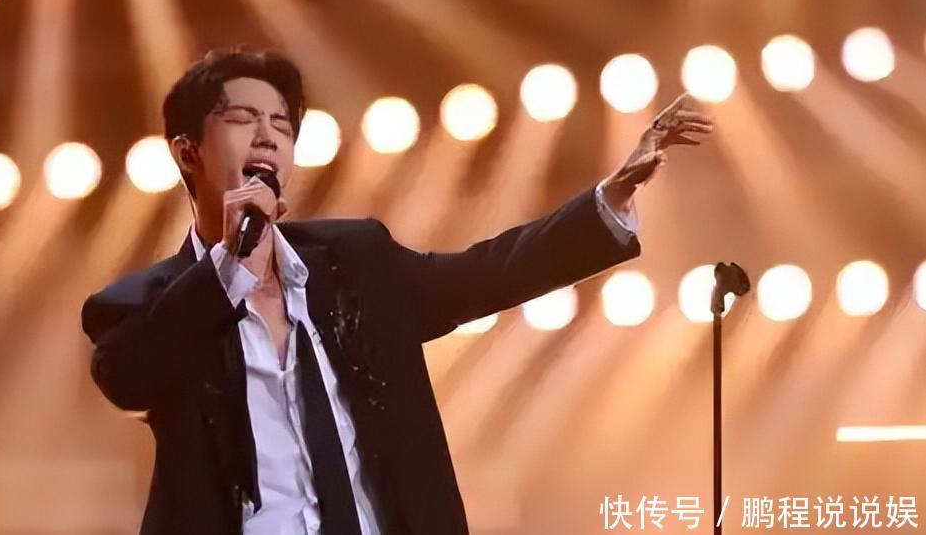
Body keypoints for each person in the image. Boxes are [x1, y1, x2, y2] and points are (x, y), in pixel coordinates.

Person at [80, 47, 713, 535]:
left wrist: (611, 197)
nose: (268, 136)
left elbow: (488, 273)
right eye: (243, 119)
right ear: (187, 152)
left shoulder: (355, 261)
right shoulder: (141, 303)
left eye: (282, 124)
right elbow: (129, 376)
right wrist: (231, 266)